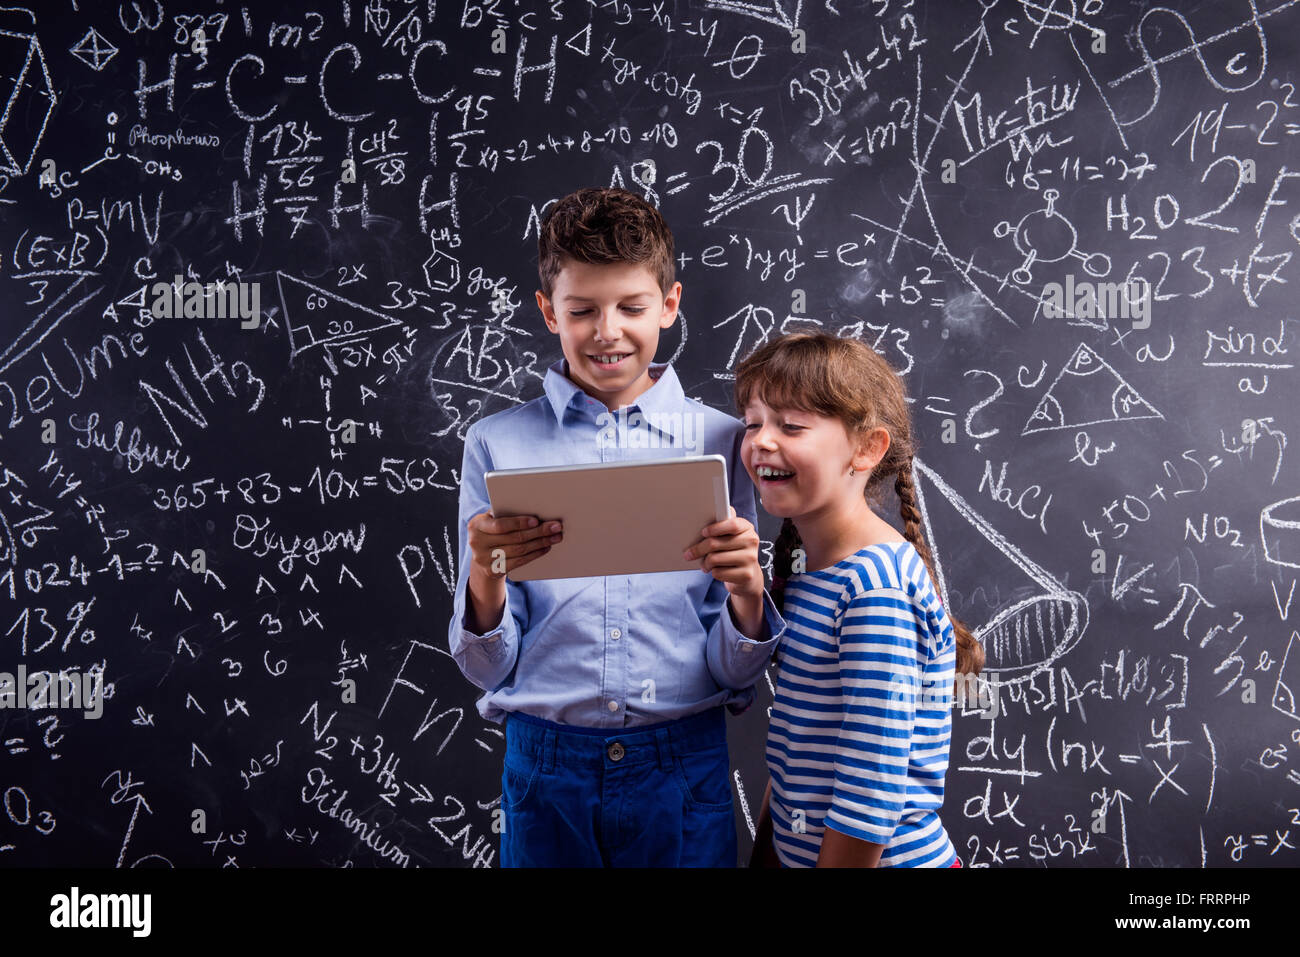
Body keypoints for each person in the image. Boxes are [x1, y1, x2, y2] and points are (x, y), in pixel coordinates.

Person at [448, 187, 787, 867]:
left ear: (669, 304)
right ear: (549, 311)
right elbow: (486, 664)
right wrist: (485, 572)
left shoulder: (724, 442)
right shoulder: (495, 444)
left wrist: (751, 595)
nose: (608, 330)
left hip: (683, 759)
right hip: (546, 765)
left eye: (632, 307)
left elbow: (732, 668)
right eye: (582, 310)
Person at [737, 331, 984, 868]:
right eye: (753, 422)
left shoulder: (874, 589)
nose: (761, 441)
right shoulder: (809, 568)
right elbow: (800, 750)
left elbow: (870, 791)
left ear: (867, 448)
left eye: (791, 425)